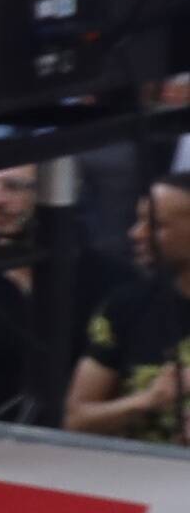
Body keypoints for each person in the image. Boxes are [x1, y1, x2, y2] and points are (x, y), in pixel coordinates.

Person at [64, 175, 190, 441]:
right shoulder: (125, 307)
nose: (136, 233)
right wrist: (150, 400)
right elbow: (74, 419)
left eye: (155, 225)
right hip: (135, 476)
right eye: (139, 220)